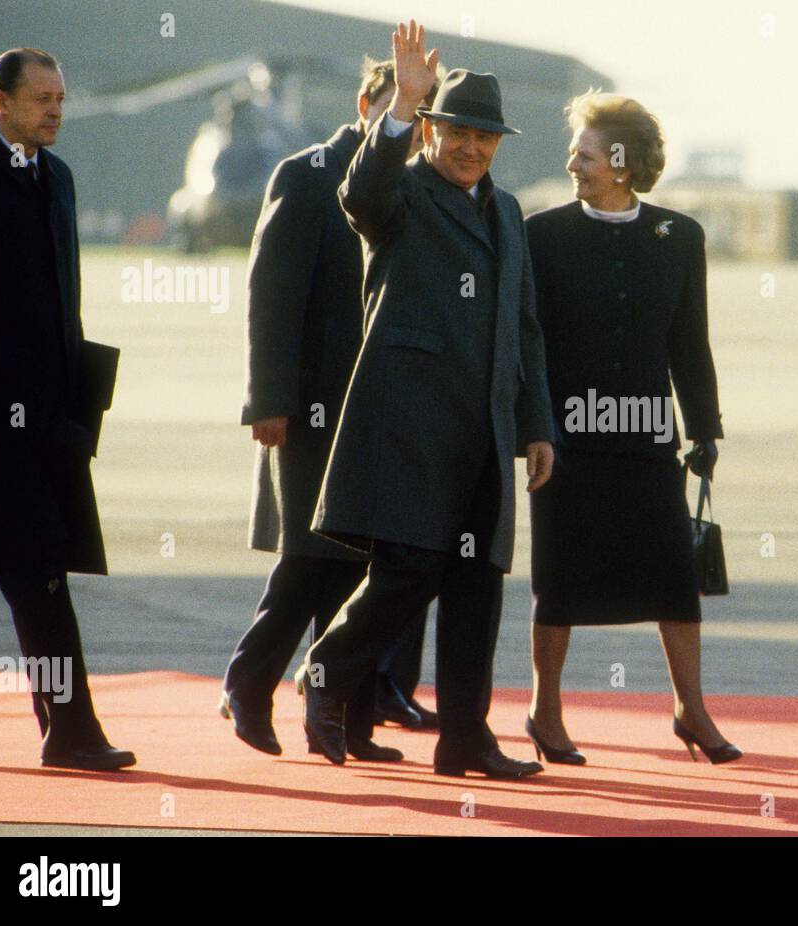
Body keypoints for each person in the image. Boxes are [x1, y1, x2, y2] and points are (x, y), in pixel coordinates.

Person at [301, 21, 556, 779]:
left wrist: (538, 425)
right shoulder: (402, 191)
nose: (472, 147)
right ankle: (322, 676)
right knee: (408, 572)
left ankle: (466, 739)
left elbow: (527, 329)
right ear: (434, 130)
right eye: (457, 131)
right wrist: (402, 111)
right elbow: (360, 193)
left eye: (485, 136)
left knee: (479, 585)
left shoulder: (508, 213)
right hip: (408, 424)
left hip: (485, 432)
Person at [220, 57, 438, 763]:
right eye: (399, 104)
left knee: (354, 562)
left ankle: (340, 715)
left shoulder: (416, 186)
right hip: (313, 407)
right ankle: (250, 685)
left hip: (379, 409)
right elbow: (271, 297)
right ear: (365, 101)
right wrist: (269, 401)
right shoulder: (308, 173)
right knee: (310, 559)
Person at [523, 91, 741, 765]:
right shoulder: (543, 235)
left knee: (674, 572)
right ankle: (545, 710)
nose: (572, 163)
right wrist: (532, 429)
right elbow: (528, 342)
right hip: (568, 441)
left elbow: (689, 342)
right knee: (558, 577)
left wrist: (704, 429)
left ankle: (690, 709)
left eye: (584, 153)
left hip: (649, 440)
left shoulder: (679, 238)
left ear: (619, 162)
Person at [0, 48, 135, 771]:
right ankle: (70, 731)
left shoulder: (57, 179)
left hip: (42, 429)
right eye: (41, 100)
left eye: (61, 99)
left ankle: (70, 731)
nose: (56, 111)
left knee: (42, 581)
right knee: (32, 577)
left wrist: (72, 407)